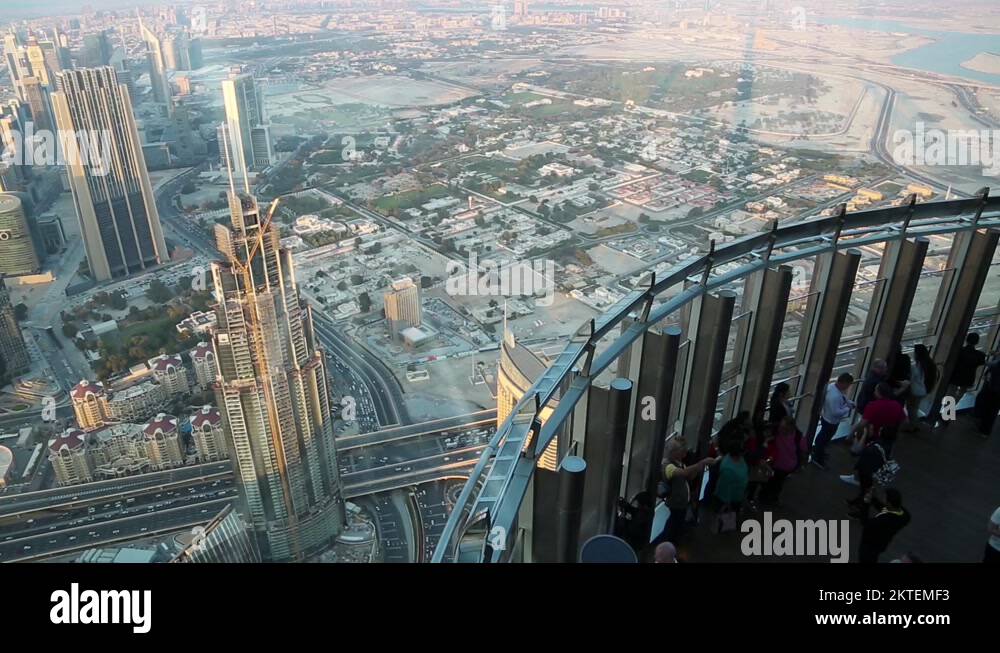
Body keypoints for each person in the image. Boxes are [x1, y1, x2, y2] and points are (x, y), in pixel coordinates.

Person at [656, 440, 717, 547]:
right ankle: (668, 542)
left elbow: (688, 476)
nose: (684, 453)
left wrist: (698, 468)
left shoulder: (679, 463)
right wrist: (701, 463)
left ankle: (671, 541)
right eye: (681, 451)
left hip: (681, 500)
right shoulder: (668, 465)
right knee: (673, 523)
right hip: (676, 501)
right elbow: (683, 473)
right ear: (674, 452)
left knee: (676, 522)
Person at [844, 425, 898, 518]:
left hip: (867, 472)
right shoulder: (889, 444)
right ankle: (857, 502)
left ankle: (862, 512)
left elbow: (856, 451)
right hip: (875, 472)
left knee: (867, 492)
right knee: (866, 489)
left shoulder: (875, 446)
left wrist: (864, 434)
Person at [759, 415, 807, 505]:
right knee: (771, 482)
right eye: (781, 427)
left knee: (776, 482)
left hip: (785, 467)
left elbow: (803, 452)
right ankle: (769, 498)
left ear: (791, 427)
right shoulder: (778, 432)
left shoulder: (798, 437)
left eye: (784, 427)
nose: (781, 429)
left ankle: (769, 498)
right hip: (774, 464)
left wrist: (800, 465)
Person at [812, 373, 855, 469]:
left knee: (823, 437)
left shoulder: (832, 387)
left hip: (826, 418)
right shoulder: (835, 396)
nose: (848, 387)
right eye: (848, 384)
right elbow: (836, 412)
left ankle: (819, 452)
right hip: (831, 422)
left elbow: (842, 400)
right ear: (843, 383)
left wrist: (848, 403)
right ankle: (818, 458)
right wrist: (848, 408)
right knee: (824, 438)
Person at [857, 488, 910, 563]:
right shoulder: (904, 514)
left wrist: (866, 503)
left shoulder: (883, 520)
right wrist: (873, 499)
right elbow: (884, 508)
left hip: (869, 546)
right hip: (881, 544)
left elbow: (865, 522)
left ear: (890, 503)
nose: (882, 499)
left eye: (884, 498)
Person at [848, 382, 905, 448]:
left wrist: (855, 434)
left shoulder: (872, 406)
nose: (874, 392)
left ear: (879, 393)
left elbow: (862, 423)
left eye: (875, 390)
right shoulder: (897, 405)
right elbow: (905, 421)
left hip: (874, 436)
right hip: (890, 435)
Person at [713, 434, 749, 521]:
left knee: (731, 519)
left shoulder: (740, 459)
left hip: (737, 496)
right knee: (725, 520)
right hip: (727, 500)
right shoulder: (727, 468)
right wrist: (727, 504)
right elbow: (726, 489)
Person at [947, 332, 987, 405]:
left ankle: (947, 407)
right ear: (977, 342)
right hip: (968, 377)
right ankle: (951, 407)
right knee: (961, 393)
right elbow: (982, 363)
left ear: (966, 340)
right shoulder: (980, 355)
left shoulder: (959, 351)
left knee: (951, 391)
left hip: (956, 375)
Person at [906, 344, 937, 429]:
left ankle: (913, 425)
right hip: (924, 390)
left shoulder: (917, 366)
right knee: (915, 408)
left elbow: (911, 379)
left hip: (915, 391)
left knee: (911, 408)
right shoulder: (930, 364)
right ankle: (914, 425)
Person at [972, 353, 1000, 437]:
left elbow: (995, 365)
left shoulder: (997, 364)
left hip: (995, 388)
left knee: (991, 409)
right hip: (995, 387)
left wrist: (984, 361)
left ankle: (984, 430)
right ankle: (984, 429)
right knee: (992, 409)